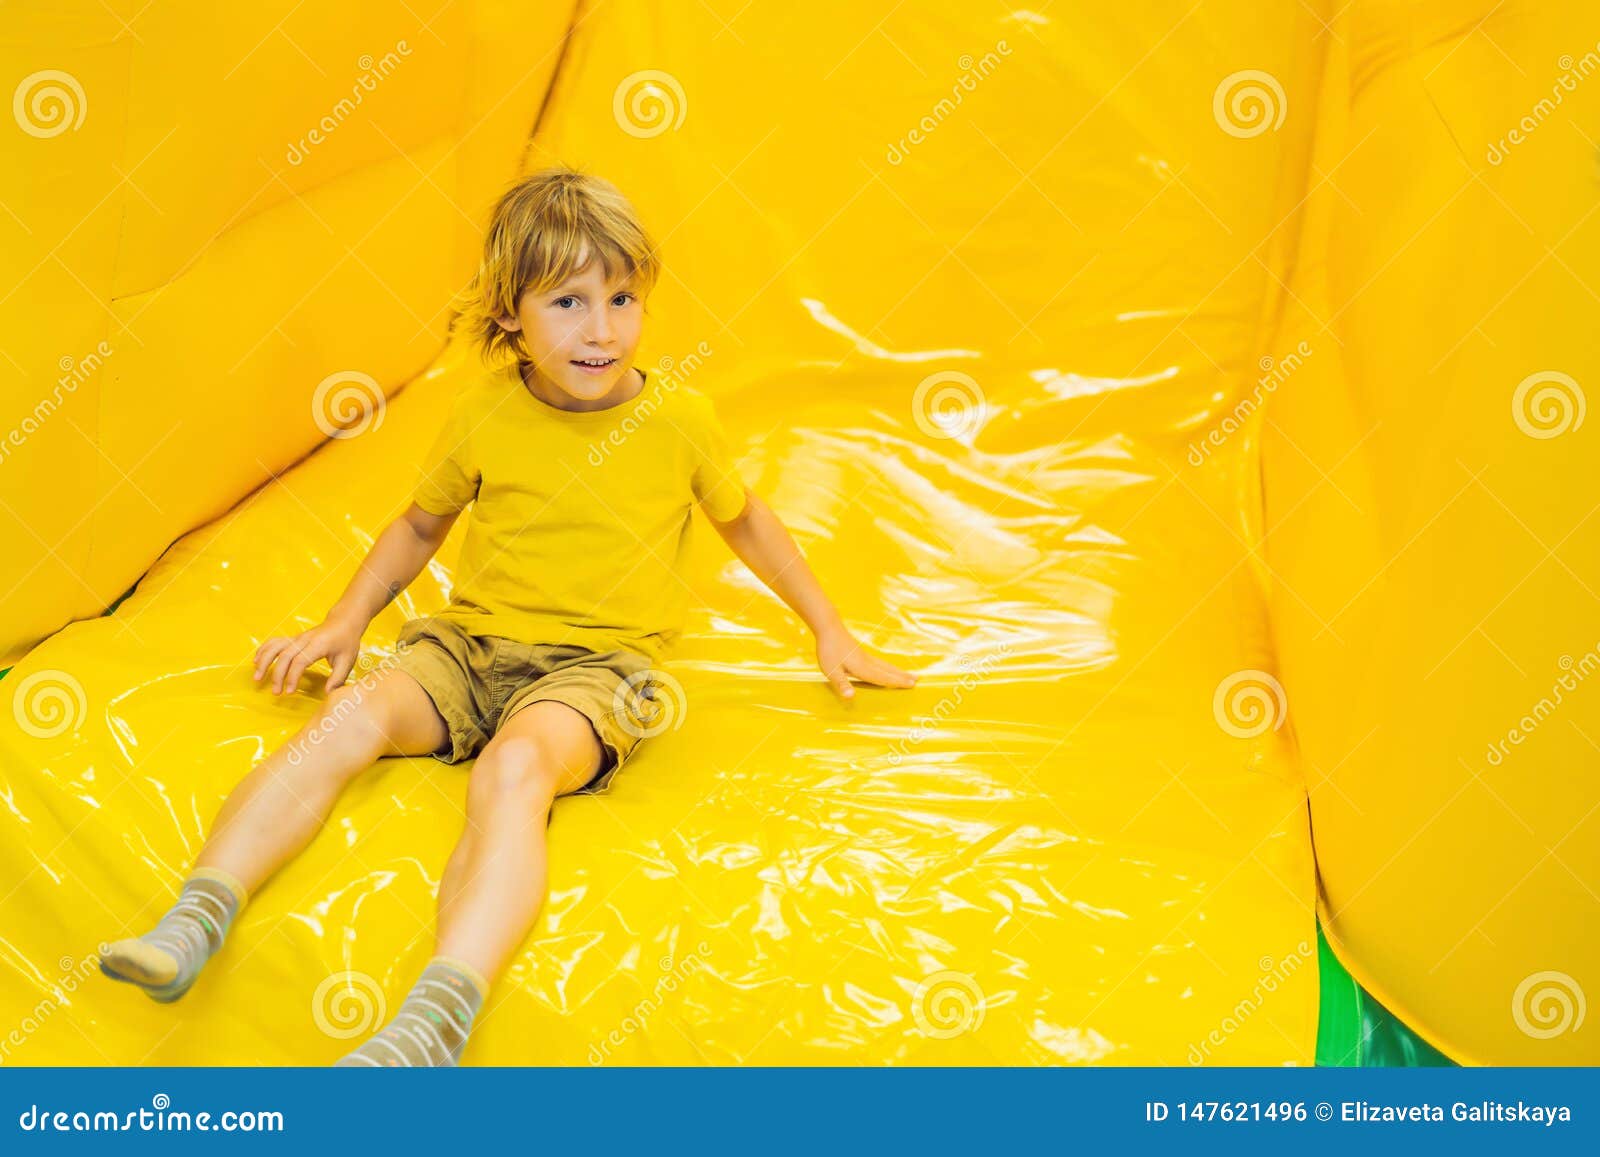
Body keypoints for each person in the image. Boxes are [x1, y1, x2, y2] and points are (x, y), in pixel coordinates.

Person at [97, 165, 917, 1066]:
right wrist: (344, 624)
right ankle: (195, 919)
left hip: (601, 669)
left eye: (622, 297)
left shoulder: (678, 416)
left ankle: (432, 1022)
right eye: (568, 301)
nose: (602, 329)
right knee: (350, 715)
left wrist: (828, 627)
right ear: (510, 318)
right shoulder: (484, 410)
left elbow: (748, 520)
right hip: (471, 644)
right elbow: (418, 525)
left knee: (514, 771)